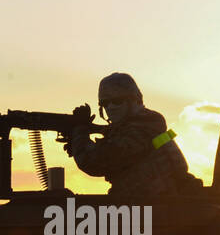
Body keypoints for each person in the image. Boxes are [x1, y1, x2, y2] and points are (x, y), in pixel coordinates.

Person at [64, 72, 204, 198]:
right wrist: (80, 140)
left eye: (117, 101)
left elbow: (93, 163)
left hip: (155, 211)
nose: (111, 107)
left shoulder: (141, 130)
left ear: (135, 101)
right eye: (105, 104)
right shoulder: (145, 126)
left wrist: (79, 134)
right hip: (153, 208)